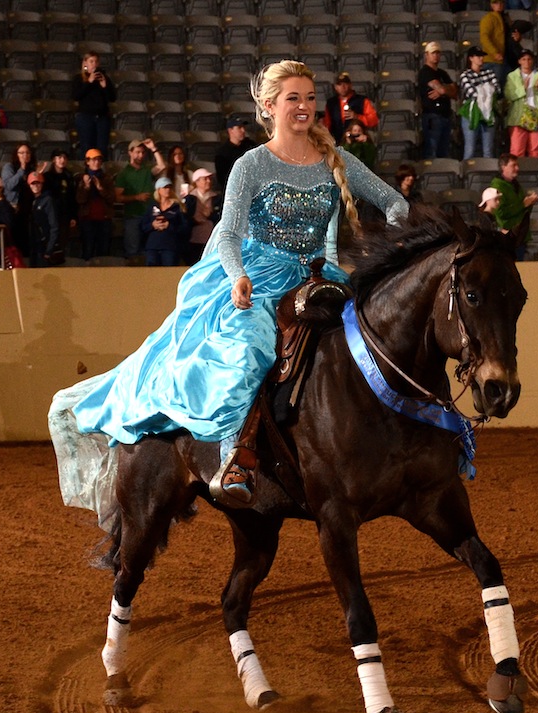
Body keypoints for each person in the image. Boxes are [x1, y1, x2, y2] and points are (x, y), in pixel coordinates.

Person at [52, 60, 409, 510]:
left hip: (320, 277)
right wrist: (237, 274)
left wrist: (396, 234)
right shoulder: (252, 164)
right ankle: (235, 459)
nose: (304, 107)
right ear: (269, 106)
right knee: (251, 347)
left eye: (310, 98)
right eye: (293, 98)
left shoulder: (337, 159)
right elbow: (227, 231)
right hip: (260, 274)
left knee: (375, 340)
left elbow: (394, 201)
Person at [115, 137, 166, 261]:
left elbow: (162, 166)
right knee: (132, 251)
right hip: (133, 216)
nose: (141, 155)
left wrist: (153, 148)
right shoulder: (124, 174)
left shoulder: (146, 170)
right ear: (130, 153)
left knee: (148, 250)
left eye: (143, 152)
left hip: (148, 216)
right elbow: (118, 197)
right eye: (137, 152)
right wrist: (136, 197)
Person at [490, 153, 538, 259]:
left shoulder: (516, 185)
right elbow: (501, 212)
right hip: (508, 236)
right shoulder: (497, 186)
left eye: (517, 165)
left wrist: (529, 203)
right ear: (503, 167)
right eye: (513, 165)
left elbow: (522, 210)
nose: (517, 168)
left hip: (520, 235)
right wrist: (523, 204)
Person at [503, 48, 538, 158]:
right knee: (517, 151)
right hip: (518, 119)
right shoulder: (512, 76)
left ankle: (534, 174)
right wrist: (523, 88)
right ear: (519, 61)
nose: (527, 62)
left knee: (535, 151)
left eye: (529, 59)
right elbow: (509, 95)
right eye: (523, 59)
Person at [457, 45, 500, 160]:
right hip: (471, 114)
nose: (481, 58)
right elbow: (472, 94)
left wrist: (484, 91)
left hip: (488, 113)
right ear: (471, 58)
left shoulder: (489, 73)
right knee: (470, 148)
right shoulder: (465, 75)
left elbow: (496, 90)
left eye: (482, 56)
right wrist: (486, 90)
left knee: (488, 150)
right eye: (478, 56)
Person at [418, 41, 458, 159]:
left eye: (438, 53)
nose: (436, 55)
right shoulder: (425, 72)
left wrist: (444, 90)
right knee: (432, 150)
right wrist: (446, 89)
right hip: (432, 116)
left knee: (443, 151)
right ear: (427, 55)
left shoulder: (442, 73)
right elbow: (443, 90)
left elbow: (455, 92)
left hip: (445, 115)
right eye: (433, 53)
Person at [73, 50, 115, 160]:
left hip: (102, 117)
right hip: (85, 117)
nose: (94, 64)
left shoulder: (104, 78)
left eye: (96, 61)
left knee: (102, 148)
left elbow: (112, 98)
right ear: (85, 63)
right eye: (91, 61)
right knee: (87, 147)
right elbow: (76, 96)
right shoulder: (79, 78)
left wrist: (105, 86)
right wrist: (89, 82)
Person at [76, 148, 116, 260]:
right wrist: (86, 187)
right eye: (93, 160)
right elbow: (80, 200)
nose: (96, 162)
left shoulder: (107, 178)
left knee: (103, 252)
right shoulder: (81, 178)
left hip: (104, 219)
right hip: (87, 219)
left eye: (99, 160)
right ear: (87, 162)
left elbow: (112, 198)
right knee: (88, 250)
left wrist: (100, 188)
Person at [140, 176, 188, 267]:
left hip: (170, 246)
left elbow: (185, 228)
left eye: (169, 187)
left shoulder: (178, 207)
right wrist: (153, 225)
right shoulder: (152, 206)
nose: (167, 190)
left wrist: (169, 226)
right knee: (151, 272)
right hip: (153, 246)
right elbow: (143, 226)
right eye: (165, 187)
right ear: (158, 190)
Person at [42, 148, 77, 264]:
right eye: (59, 157)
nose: (62, 160)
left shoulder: (68, 176)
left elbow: (72, 198)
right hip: (50, 215)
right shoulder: (47, 177)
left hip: (65, 215)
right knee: (50, 242)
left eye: (64, 158)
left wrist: (73, 216)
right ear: (54, 160)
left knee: (62, 243)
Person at [323, 72, 379, 143]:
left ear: (350, 85)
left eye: (345, 83)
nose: (343, 87)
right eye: (339, 84)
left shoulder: (362, 100)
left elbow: (374, 121)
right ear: (335, 87)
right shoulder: (331, 103)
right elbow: (327, 124)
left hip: (358, 143)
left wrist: (357, 117)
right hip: (337, 142)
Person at [2, 142, 35, 256]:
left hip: (28, 209)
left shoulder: (32, 169)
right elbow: (9, 185)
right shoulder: (9, 167)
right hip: (13, 209)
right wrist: (21, 169)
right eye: (21, 153)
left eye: (27, 152)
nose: (25, 155)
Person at [183, 167, 220, 265]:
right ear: (197, 182)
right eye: (205, 179)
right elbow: (185, 217)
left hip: (210, 237)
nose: (208, 181)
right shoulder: (189, 199)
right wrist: (195, 220)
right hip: (193, 238)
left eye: (209, 179)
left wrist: (211, 215)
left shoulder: (216, 198)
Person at [27, 171, 59, 267]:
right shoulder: (29, 201)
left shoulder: (48, 200)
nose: (36, 186)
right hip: (33, 246)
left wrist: (49, 250)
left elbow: (54, 226)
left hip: (44, 246)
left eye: (38, 183)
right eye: (33, 183)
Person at [215, 117, 257, 190]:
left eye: (243, 127)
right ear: (230, 130)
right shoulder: (222, 153)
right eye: (239, 128)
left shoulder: (251, 145)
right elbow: (223, 178)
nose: (243, 130)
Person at [479, 0, 509, 87]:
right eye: (496, 3)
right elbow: (484, 38)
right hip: (493, 60)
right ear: (491, 5)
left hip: (505, 58)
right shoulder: (488, 18)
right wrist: (494, 52)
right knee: (495, 88)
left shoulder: (505, 18)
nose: (499, 5)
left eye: (501, 2)